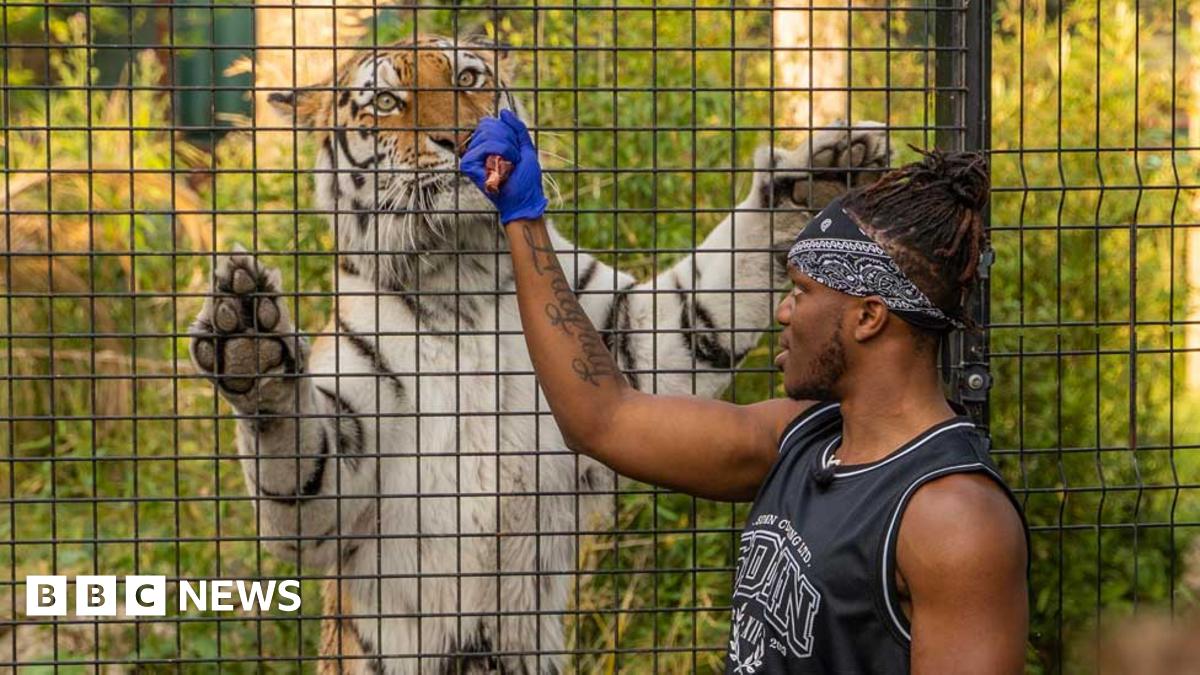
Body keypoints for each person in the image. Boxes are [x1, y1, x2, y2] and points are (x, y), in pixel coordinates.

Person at [460, 109, 1028, 674]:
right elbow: (601, 418)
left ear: (868, 317)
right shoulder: (799, 440)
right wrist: (524, 219)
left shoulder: (954, 518)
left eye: (801, 292)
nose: (783, 310)